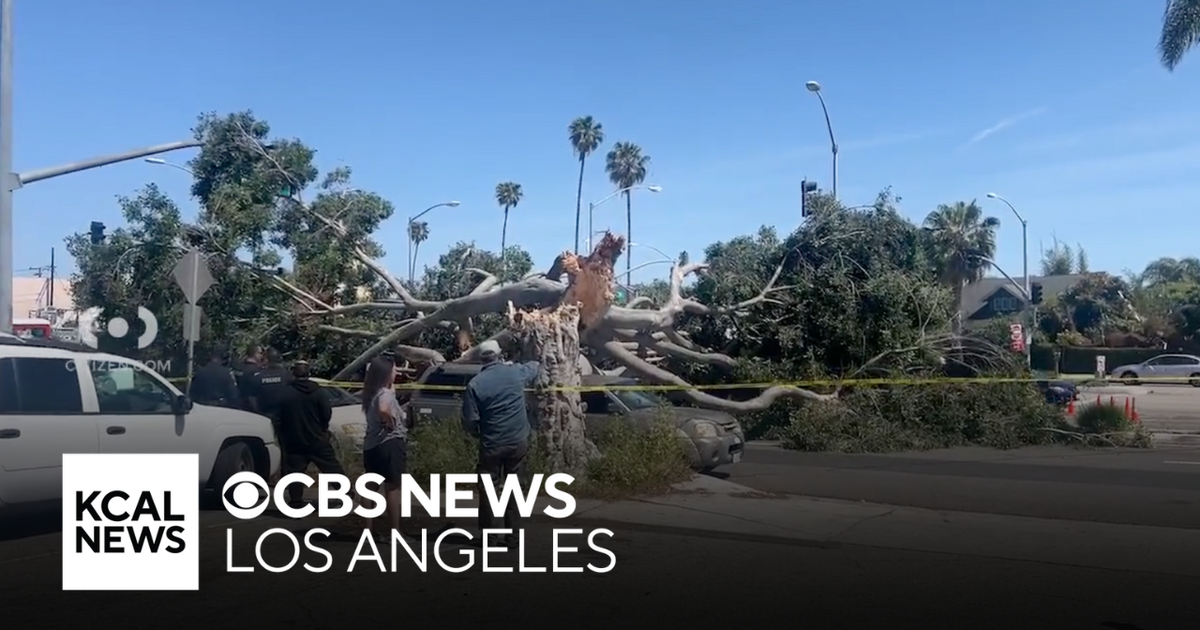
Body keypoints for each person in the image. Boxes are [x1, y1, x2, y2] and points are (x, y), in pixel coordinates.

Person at [460, 339, 540, 548]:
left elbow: (470, 421)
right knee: (514, 488)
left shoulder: (475, 384)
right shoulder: (515, 373)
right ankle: (513, 538)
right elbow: (534, 367)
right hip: (517, 441)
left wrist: (479, 433)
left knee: (489, 490)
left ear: (481, 359)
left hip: (492, 442)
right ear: (499, 355)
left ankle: (490, 538)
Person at [276, 359, 345, 508]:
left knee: (295, 473)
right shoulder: (319, 392)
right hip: (317, 438)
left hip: (294, 440)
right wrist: (322, 428)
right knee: (331, 467)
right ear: (309, 373)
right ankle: (346, 493)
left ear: (293, 373)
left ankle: (296, 501)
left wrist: (283, 435)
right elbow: (326, 413)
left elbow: (278, 418)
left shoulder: (285, 393)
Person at [360, 354, 408, 542]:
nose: (397, 372)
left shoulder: (373, 392)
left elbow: (386, 395)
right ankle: (394, 532)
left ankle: (367, 530)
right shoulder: (385, 395)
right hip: (390, 444)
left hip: (372, 446)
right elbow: (384, 408)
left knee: (370, 487)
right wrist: (389, 420)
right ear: (386, 373)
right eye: (394, 369)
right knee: (393, 488)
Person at [244, 348, 293, 421]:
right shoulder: (288, 376)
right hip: (285, 416)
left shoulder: (258, 377)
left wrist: (258, 412)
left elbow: (252, 398)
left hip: (265, 416)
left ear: (266, 360)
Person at [233, 345, 264, 412]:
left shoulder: (239, 368)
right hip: (253, 406)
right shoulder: (256, 371)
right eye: (260, 353)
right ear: (255, 354)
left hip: (240, 405)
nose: (262, 356)